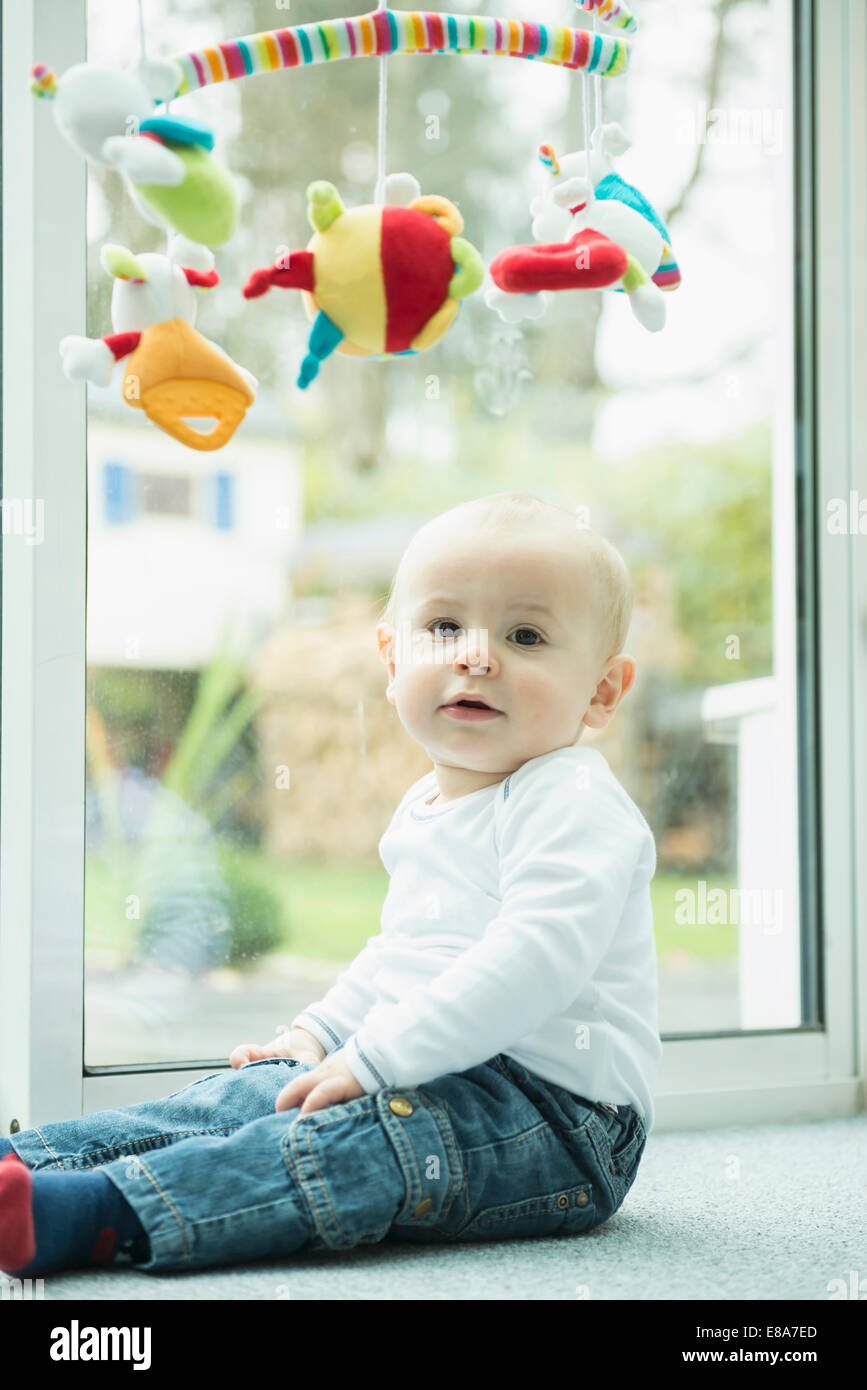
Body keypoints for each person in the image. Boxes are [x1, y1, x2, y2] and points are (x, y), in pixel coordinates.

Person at [0, 491, 661, 1275]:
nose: (475, 655)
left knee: (359, 1142)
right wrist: (317, 1034)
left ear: (602, 691)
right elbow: (399, 955)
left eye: (525, 635)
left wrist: (373, 1060)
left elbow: (533, 960)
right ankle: (33, 1158)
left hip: (557, 1121)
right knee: (255, 1095)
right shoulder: (424, 805)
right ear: (391, 661)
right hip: (427, 1063)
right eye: (444, 627)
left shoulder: (573, 800)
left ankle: (101, 1213)